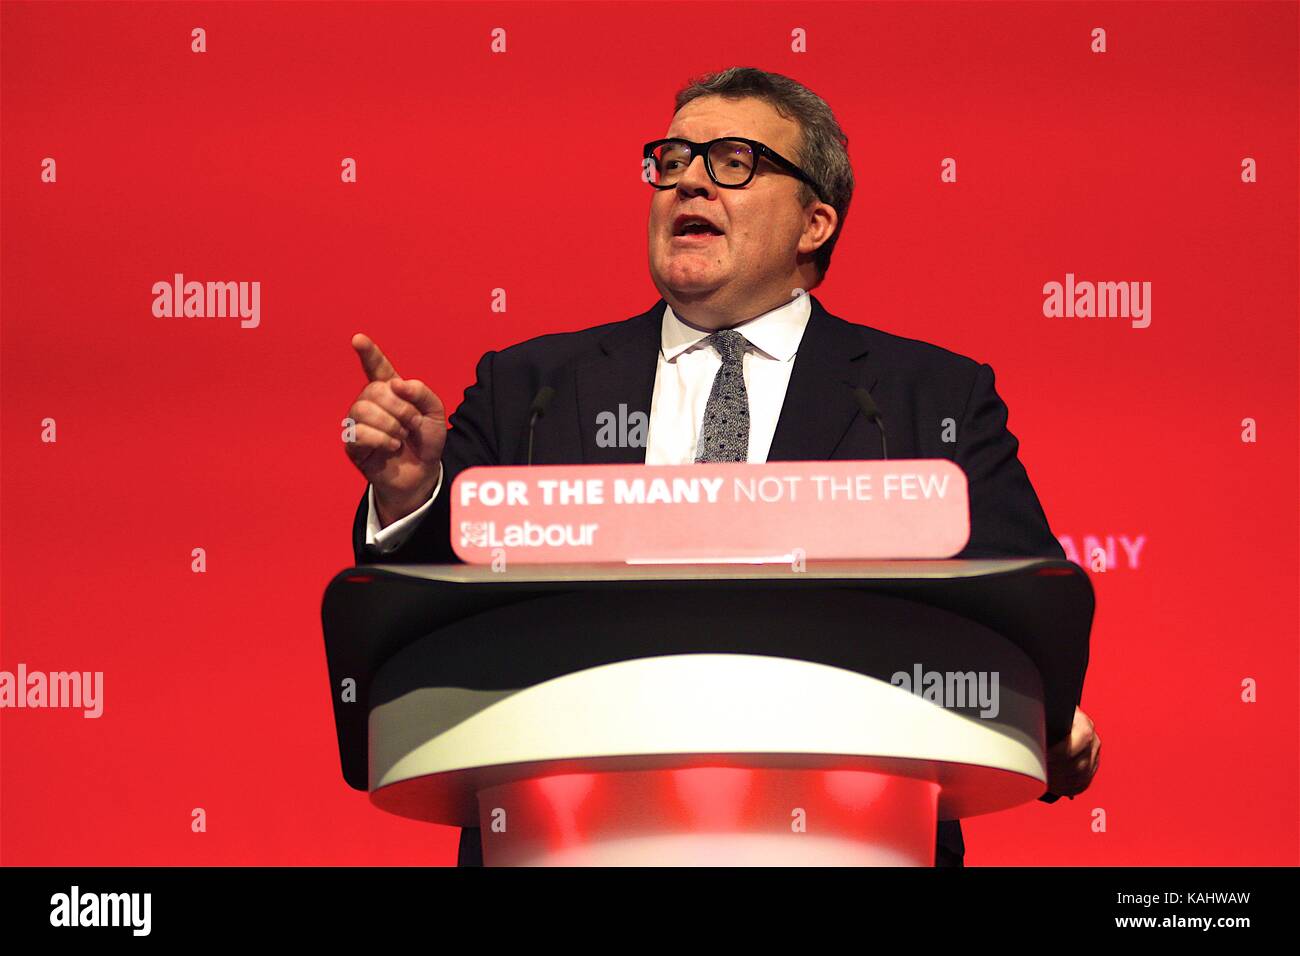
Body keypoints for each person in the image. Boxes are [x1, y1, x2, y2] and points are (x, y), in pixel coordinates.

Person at [343, 67, 1101, 867]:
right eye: (672, 160)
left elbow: (1028, 607)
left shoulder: (924, 396)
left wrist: (1041, 715)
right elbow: (429, 628)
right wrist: (409, 493)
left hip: (849, 831)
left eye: (732, 161)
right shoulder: (532, 388)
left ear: (814, 223)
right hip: (560, 830)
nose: (690, 181)